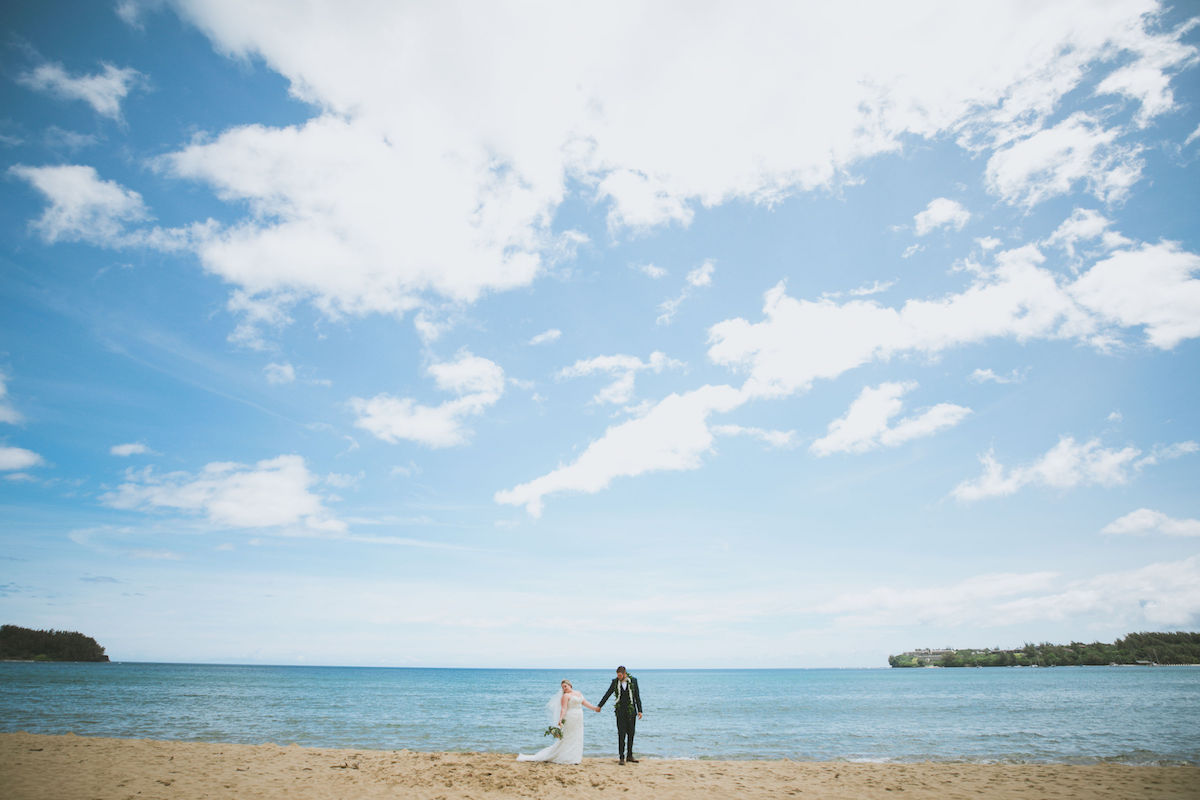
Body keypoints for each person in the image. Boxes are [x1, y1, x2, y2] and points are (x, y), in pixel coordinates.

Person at [516, 679, 600, 764]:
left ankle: (575, 758)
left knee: (577, 736)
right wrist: (560, 719)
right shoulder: (565, 696)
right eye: (563, 687)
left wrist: (594, 708)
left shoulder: (578, 693)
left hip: (579, 717)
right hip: (570, 717)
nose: (564, 688)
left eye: (565, 686)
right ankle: (566, 757)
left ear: (570, 685)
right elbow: (563, 709)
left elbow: (585, 703)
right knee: (568, 736)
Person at [596, 665, 643, 764]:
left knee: (631, 734)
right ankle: (621, 757)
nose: (619, 677)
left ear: (624, 673)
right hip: (620, 712)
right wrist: (600, 706)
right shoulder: (615, 682)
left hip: (631, 711)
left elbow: (637, 696)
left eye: (620, 675)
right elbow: (607, 694)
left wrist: (640, 710)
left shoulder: (633, 681)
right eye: (618, 675)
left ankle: (629, 756)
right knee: (621, 734)